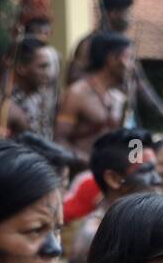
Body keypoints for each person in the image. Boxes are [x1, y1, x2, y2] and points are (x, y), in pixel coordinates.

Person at [64, 128, 161, 263]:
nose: (157, 179)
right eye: (147, 170)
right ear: (115, 179)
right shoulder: (93, 235)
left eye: (155, 169)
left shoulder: (144, 224)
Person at [56, 33, 131, 165]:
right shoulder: (77, 94)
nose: (132, 66)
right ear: (112, 59)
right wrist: (90, 163)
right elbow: (59, 140)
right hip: (82, 176)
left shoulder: (119, 98)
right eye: (128, 58)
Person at [0, 36, 55, 141]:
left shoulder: (39, 97)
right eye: (42, 67)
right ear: (22, 68)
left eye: (48, 67)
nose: (48, 74)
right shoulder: (4, 107)